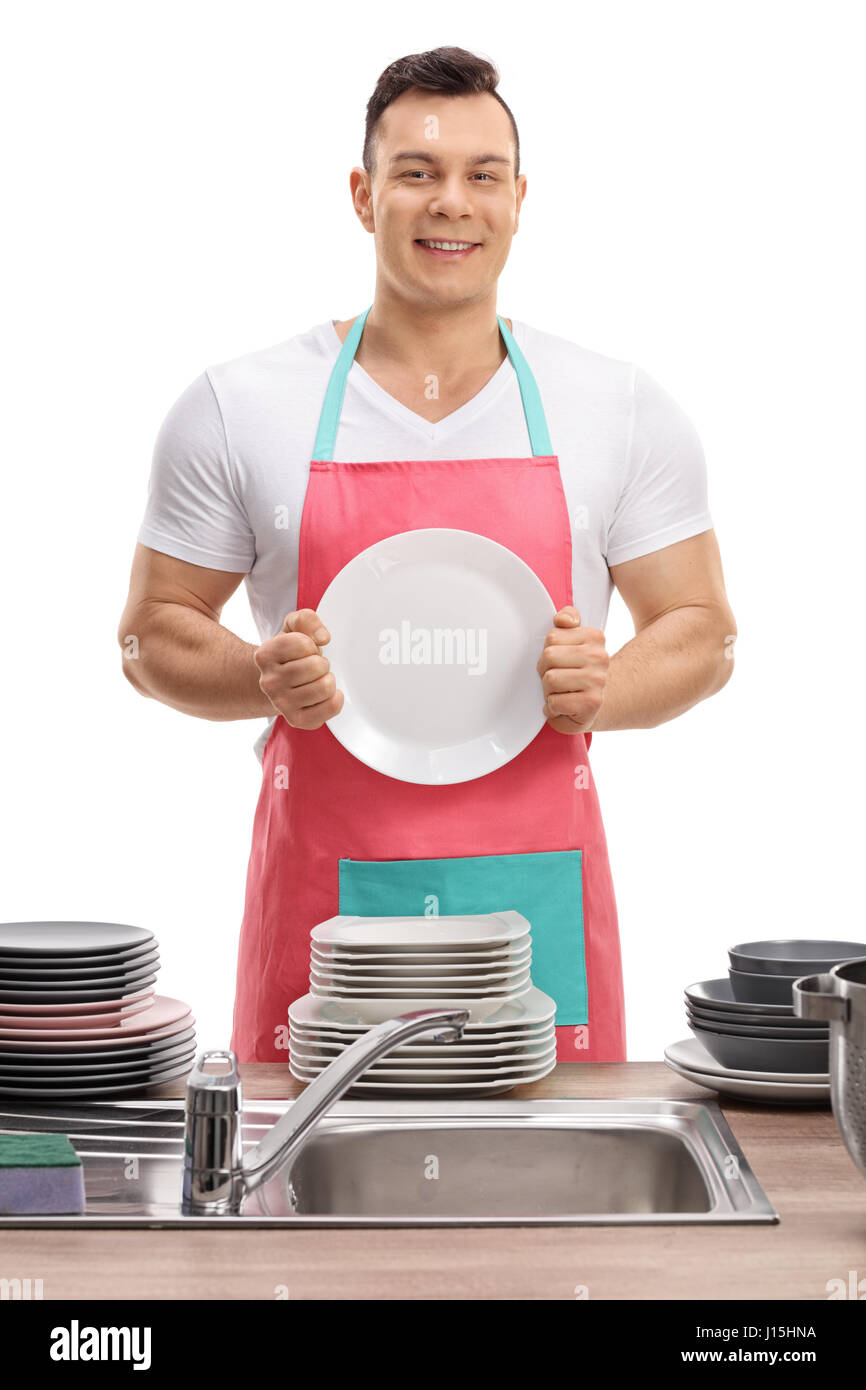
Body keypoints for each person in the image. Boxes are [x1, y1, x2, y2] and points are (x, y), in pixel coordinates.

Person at [118, 46, 736, 1064]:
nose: (450, 202)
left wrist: (607, 687)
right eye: (416, 172)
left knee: (549, 1203)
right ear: (363, 196)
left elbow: (703, 631)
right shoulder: (241, 403)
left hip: (536, 905)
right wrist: (258, 672)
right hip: (326, 905)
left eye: (480, 175)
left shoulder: (615, 405)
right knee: (308, 1204)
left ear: (517, 199)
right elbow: (149, 636)